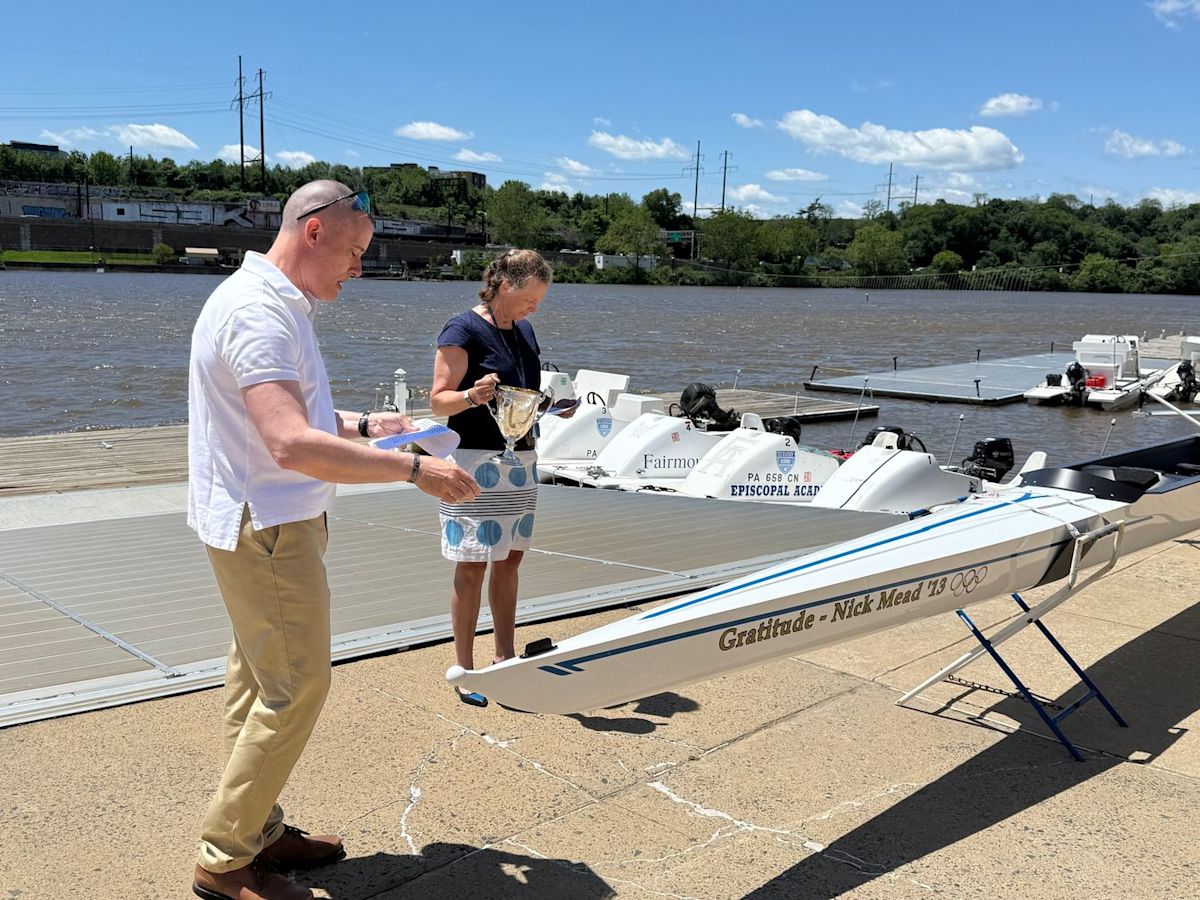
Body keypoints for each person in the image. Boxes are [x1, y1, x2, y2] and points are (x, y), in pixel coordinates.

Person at [187, 180, 478, 900]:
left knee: (257, 683)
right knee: (295, 689)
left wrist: (363, 427)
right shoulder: (260, 312)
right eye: (353, 252)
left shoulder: (269, 301)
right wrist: (413, 468)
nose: (358, 268)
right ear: (313, 231)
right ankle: (225, 859)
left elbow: (295, 417)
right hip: (271, 527)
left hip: (254, 521)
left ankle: (256, 827)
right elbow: (288, 443)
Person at [430, 249, 560, 707]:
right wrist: (470, 394)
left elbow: (521, 390)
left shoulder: (523, 330)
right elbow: (438, 402)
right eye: (530, 298)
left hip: (520, 460)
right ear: (506, 287)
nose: (535, 308)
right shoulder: (461, 328)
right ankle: (464, 671)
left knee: (510, 562)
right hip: (473, 461)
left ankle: (505, 658)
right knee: (471, 564)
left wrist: (543, 405)